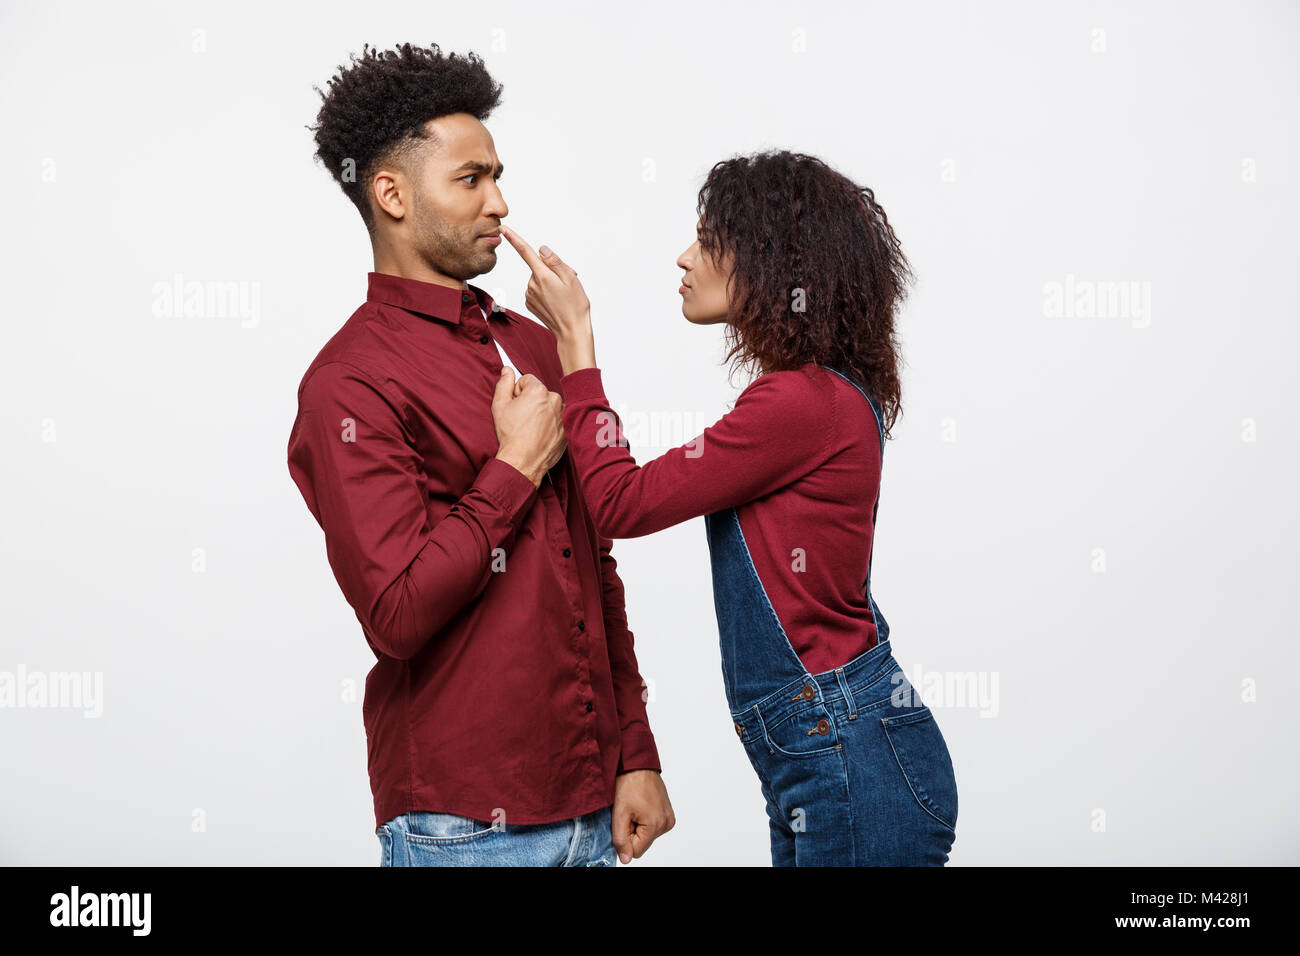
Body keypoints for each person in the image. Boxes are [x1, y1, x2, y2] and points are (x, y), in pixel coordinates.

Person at [498, 150, 958, 866]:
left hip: (845, 750)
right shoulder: (815, 397)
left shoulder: (800, 403)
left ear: (777, 264)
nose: (684, 258)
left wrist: (576, 345)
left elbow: (622, 500)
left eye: (710, 243)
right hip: (828, 750)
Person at [286, 42, 673, 866]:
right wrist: (514, 470)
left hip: (594, 804)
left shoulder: (528, 344)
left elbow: (594, 562)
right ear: (390, 193)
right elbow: (395, 614)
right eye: (472, 180)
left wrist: (635, 749)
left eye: (498, 176)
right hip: (461, 828)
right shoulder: (347, 384)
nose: (501, 204)